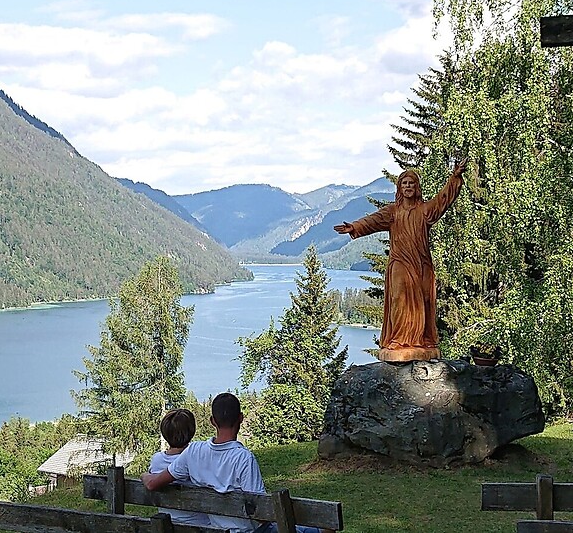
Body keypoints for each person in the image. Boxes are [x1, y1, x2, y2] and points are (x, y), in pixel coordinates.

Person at [333, 160, 466, 362]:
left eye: (411, 183)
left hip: (421, 264)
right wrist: (354, 227)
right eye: (404, 184)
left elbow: (443, 200)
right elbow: (372, 221)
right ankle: (397, 340)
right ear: (399, 188)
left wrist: (455, 177)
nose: (408, 187)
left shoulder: (425, 211)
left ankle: (422, 339)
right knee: (399, 299)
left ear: (417, 187)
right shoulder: (392, 212)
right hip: (400, 263)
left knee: (423, 301)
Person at [142, 393, 331, 533]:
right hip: (249, 531)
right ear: (240, 418)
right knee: (327, 527)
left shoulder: (194, 452)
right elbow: (261, 511)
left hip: (216, 529)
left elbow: (153, 483)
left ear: (212, 421)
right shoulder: (243, 458)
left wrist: (145, 475)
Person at [148, 408, 212, 527]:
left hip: (168, 524)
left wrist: (144, 475)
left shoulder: (156, 460)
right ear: (192, 431)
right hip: (200, 526)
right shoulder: (197, 459)